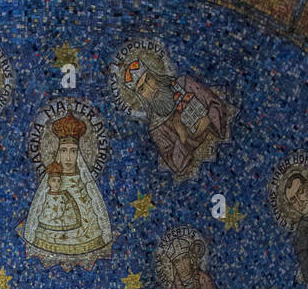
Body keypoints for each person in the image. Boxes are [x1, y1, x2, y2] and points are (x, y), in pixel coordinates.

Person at [21, 111, 112, 268]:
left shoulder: (86, 184)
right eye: (64, 151)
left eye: (73, 151)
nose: (68, 157)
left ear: (79, 153)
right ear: (58, 152)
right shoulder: (52, 182)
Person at [124, 58, 231, 177]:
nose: (151, 89)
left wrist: (209, 118)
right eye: (142, 89)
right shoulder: (156, 128)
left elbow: (216, 103)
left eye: (148, 79)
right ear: (141, 96)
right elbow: (176, 165)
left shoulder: (184, 84)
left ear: (154, 75)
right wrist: (182, 137)